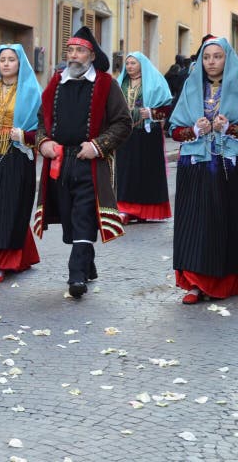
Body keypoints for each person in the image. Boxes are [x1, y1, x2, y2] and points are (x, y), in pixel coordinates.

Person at [33, 26, 131, 299]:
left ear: (91, 55)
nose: (74, 56)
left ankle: (76, 276)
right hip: (61, 162)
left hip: (91, 163)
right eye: (71, 51)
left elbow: (123, 123)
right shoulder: (55, 83)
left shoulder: (106, 84)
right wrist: (44, 144)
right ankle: (87, 262)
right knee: (69, 217)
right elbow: (41, 122)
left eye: (80, 51)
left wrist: (96, 147)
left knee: (84, 216)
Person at [169, 37, 238, 304]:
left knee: (223, 222)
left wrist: (229, 128)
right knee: (193, 223)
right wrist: (195, 130)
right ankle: (194, 283)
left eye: (217, 56)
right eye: (206, 57)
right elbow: (174, 131)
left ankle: (222, 281)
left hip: (227, 167)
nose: (211, 62)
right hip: (194, 166)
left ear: (227, 58)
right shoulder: (189, 88)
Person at [0, 44, 42, 284]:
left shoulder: (32, 91)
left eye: (11, 59)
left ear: (20, 63)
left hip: (17, 154)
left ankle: (1, 262)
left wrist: (24, 136)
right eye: (2, 59)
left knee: (11, 206)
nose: (6, 64)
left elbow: (43, 129)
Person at [114, 52, 173, 224]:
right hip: (125, 134)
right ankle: (124, 209)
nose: (130, 66)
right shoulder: (120, 83)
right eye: (128, 63)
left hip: (147, 135)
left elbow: (168, 108)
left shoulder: (155, 83)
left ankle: (144, 210)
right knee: (124, 172)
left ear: (142, 65)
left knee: (145, 171)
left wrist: (153, 113)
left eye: (133, 63)